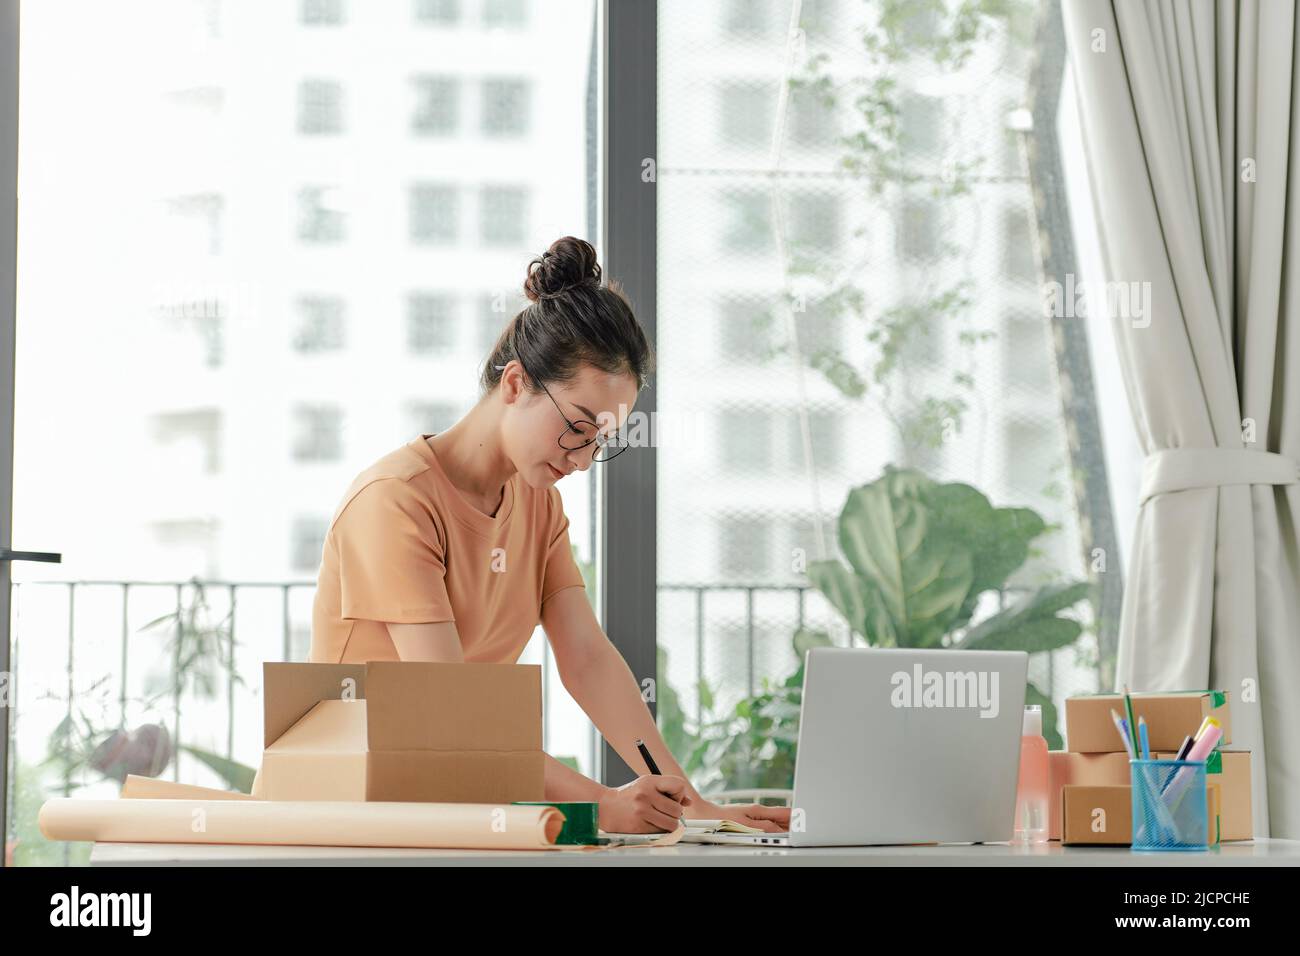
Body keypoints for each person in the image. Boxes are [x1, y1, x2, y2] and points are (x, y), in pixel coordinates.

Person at [308, 235, 790, 835]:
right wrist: (601, 805)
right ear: (515, 384)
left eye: (600, 441)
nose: (584, 459)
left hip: (459, 806)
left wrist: (690, 806)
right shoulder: (395, 500)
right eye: (578, 428)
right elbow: (449, 711)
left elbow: (587, 659)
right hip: (351, 817)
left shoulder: (538, 503)